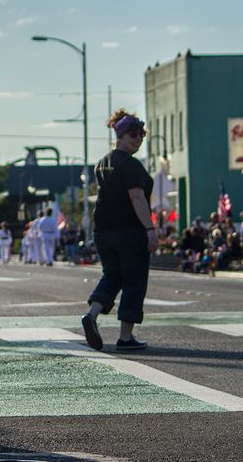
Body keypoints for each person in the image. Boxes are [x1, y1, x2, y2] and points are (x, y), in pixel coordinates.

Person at [81, 109, 157, 352]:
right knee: (134, 280)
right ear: (120, 135)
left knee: (112, 275)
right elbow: (136, 198)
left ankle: (92, 315)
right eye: (132, 134)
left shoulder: (102, 164)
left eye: (141, 136)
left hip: (102, 230)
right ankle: (125, 337)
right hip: (130, 231)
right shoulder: (131, 165)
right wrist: (150, 228)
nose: (137, 139)